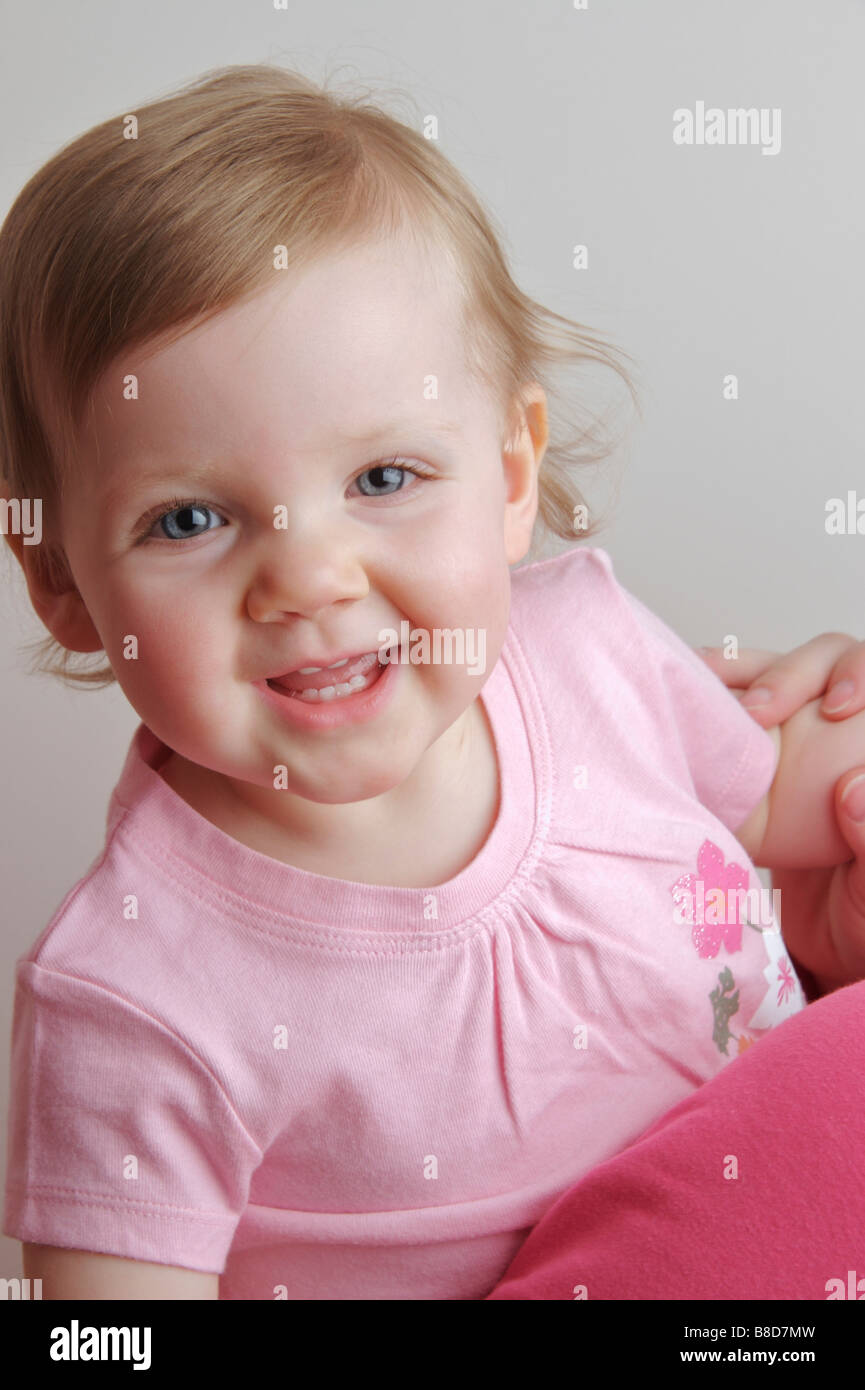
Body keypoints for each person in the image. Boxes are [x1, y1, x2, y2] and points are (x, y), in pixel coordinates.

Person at [2, 64, 865, 1302]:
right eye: (189, 517)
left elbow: (791, 801)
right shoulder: (131, 997)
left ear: (511, 474)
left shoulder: (593, 659)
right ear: (65, 588)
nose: (307, 575)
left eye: (385, 479)